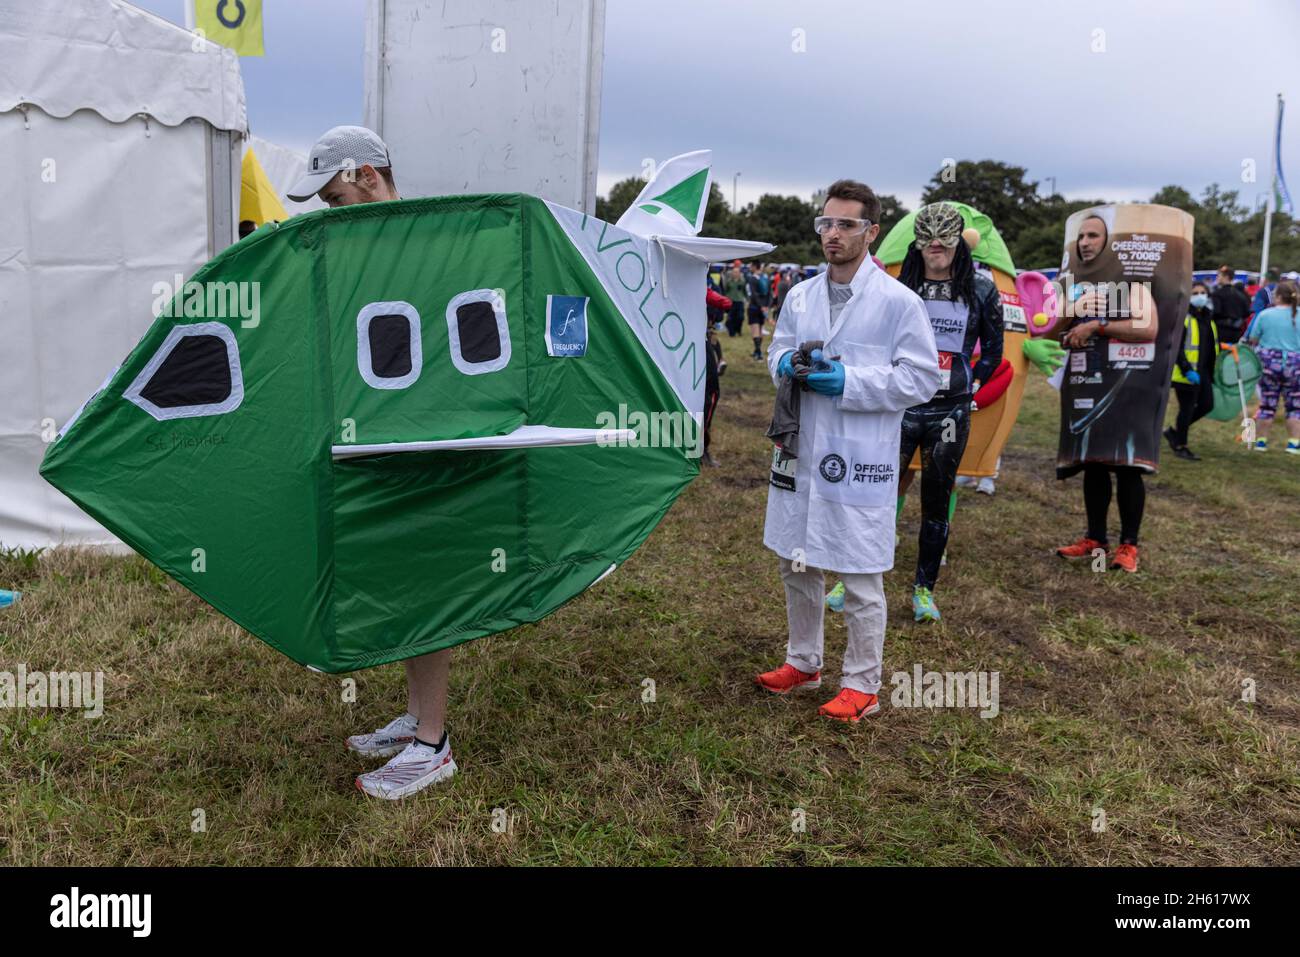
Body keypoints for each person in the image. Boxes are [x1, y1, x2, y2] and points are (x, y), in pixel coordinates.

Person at [286, 125, 456, 800]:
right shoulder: (372, 247)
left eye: (334, 198)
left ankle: (434, 743)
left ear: (367, 175)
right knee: (409, 580)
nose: (330, 213)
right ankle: (418, 717)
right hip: (384, 438)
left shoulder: (422, 243)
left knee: (429, 585)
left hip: (426, 443)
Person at [754, 179, 941, 722]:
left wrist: (851, 382)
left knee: (859, 573)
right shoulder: (800, 294)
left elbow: (922, 378)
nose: (832, 235)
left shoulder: (897, 302)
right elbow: (779, 348)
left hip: (860, 456)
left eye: (846, 225)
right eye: (825, 224)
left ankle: (863, 684)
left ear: (871, 232)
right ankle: (804, 662)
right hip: (801, 443)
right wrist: (785, 364)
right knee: (796, 561)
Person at [891, 203, 1002, 621]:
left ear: (959, 240)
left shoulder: (981, 288)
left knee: (936, 500)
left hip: (950, 412)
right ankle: (855, 576)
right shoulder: (905, 285)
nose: (935, 244)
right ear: (917, 242)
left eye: (944, 236)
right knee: (879, 492)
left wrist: (970, 384)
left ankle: (923, 591)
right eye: (927, 237)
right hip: (903, 405)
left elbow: (993, 349)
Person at [1165, 281, 1219, 460]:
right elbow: (1177, 347)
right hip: (1185, 372)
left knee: (1207, 405)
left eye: (1203, 292)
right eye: (1195, 293)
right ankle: (1181, 445)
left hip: (1203, 371)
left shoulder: (1207, 317)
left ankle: (1175, 433)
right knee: (1186, 409)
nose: (1200, 296)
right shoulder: (1184, 317)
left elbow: (1208, 344)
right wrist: (1187, 369)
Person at [1245, 279, 1300, 453]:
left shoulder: (1265, 315)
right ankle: (1293, 443)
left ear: (1277, 297)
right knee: (1295, 406)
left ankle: (1261, 442)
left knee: (1267, 404)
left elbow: (1253, 338)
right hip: (1295, 364)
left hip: (1268, 364)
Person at [703, 287, 732, 465]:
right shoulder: (691, 275)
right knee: (710, 394)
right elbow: (725, 303)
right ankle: (700, 448)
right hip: (695, 338)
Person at [1211, 266, 1251, 344]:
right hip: (1236, 332)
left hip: (1220, 330)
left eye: (1219, 275)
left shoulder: (1217, 294)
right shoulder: (1241, 294)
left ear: (1226, 277)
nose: (1217, 278)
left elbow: (1215, 312)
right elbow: (1246, 313)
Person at [746, 264, 767, 359]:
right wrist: (766, 305)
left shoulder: (752, 278)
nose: (750, 268)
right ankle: (757, 351)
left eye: (751, 266)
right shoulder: (765, 277)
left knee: (755, 330)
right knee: (760, 329)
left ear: (755, 267)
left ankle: (759, 353)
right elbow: (769, 293)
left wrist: (760, 305)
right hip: (763, 306)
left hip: (754, 307)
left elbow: (753, 294)